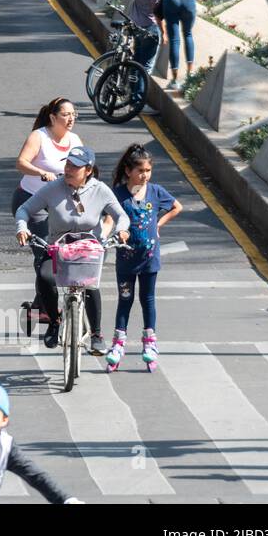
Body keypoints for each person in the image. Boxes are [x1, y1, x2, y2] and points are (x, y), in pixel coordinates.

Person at [16, 145, 130, 352]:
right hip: (59, 248)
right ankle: (54, 322)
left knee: (89, 285)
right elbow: (24, 209)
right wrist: (22, 227)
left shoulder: (100, 190)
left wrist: (122, 230)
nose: (68, 169)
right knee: (44, 277)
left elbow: (121, 216)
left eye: (74, 167)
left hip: (89, 250)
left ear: (88, 170)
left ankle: (96, 334)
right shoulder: (53, 188)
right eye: (67, 164)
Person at [107, 144, 181, 373]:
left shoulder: (156, 191)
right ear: (128, 171)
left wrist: (158, 224)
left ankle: (150, 341)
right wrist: (107, 233)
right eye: (140, 171)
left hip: (149, 259)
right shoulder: (117, 194)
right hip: (126, 261)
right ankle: (118, 343)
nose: (145, 175)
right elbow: (108, 219)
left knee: (148, 299)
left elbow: (177, 207)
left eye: (148, 170)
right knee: (125, 300)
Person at [13, 96, 84, 300]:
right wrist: (41, 172)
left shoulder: (75, 140)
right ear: (53, 118)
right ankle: (47, 306)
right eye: (65, 115)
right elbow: (21, 163)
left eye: (73, 114)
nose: (71, 119)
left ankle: (42, 298)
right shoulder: (39, 137)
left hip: (61, 202)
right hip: (32, 200)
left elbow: (85, 169)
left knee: (69, 249)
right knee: (45, 252)